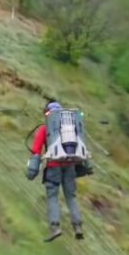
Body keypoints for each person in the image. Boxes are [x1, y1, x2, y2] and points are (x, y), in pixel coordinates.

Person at [27, 101, 83, 242]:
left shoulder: (44, 129)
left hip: (53, 166)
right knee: (71, 197)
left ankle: (55, 227)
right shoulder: (71, 127)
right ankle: (78, 227)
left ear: (48, 114)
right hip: (70, 165)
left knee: (52, 197)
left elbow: (36, 151)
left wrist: (32, 171)